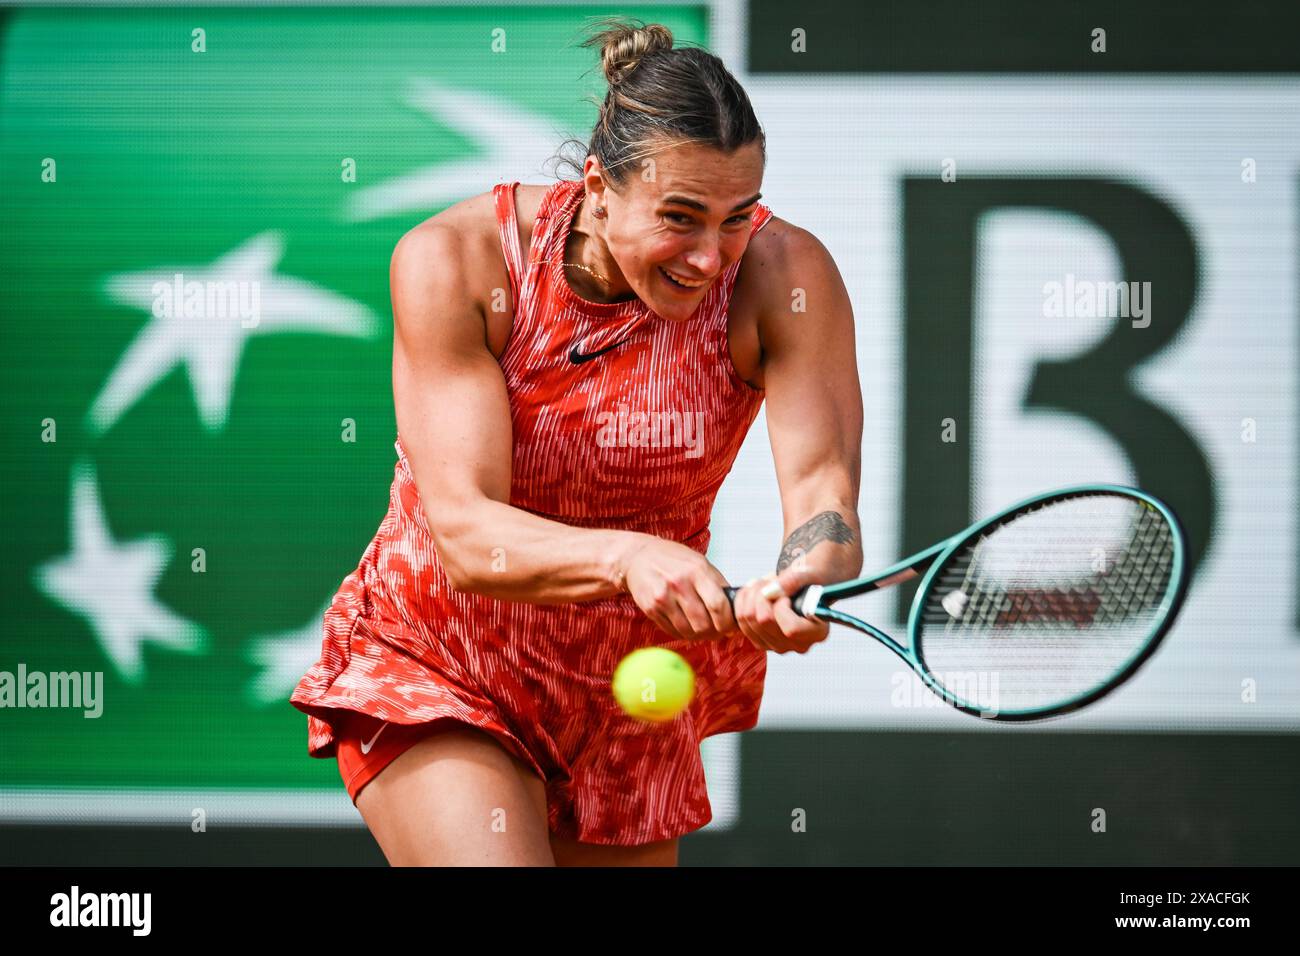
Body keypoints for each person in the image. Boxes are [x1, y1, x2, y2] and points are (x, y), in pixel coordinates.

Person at [290, 17, 863, 866]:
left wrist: (805, 571)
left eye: (736, 218)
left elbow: (824, 494)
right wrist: (632, 558)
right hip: (442, 659)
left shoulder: (787, 278)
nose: (711, 257)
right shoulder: (460, 262)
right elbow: (465, 532)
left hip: (628, 692)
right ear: (598, 185)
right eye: (681, 217)